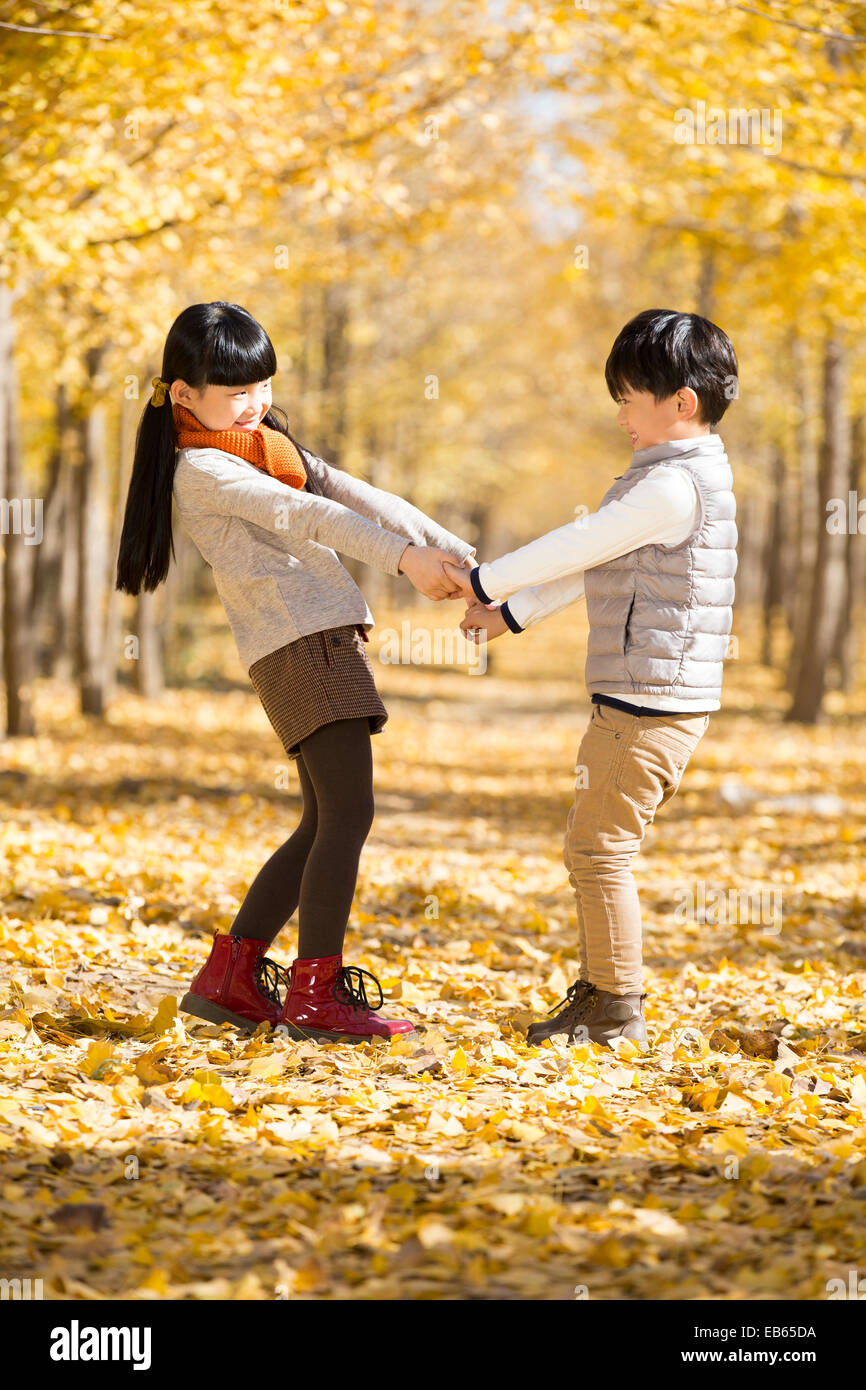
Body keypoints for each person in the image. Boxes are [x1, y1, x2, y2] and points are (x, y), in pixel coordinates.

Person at [116, 301, 475, 1043]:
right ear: (183, 395)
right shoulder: (206, 470)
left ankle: (231, 978)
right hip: (298, 641)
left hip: (311, 638)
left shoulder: (260, 445)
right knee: (349, 814)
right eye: (238, 392)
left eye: (264, 385)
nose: (258, 403)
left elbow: (356, 495)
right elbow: (308, 517)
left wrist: (455, 551)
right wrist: (403, 560)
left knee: (322, 819)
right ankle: (316, 991)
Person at [444, 308, 739, 1050]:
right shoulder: (669, 481)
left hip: (648, 703)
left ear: (683, 404)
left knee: (599, 851)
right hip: (645, 697)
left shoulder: (674, 488)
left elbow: (580, 540)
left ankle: (614, 1002)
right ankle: (607, 993)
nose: (620, 415)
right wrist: (508, 612)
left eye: (631, 398)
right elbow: (598, 562)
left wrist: (486, 578)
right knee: (596, 846)